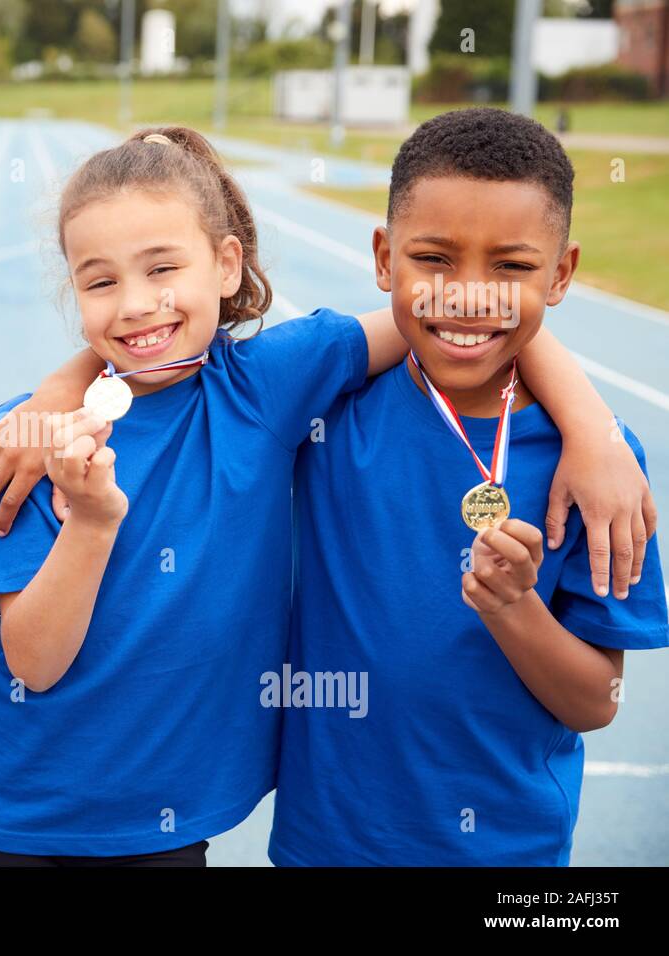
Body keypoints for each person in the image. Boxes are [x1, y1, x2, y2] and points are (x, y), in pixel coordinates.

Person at [268, 108, 668, 865]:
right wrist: (62, 393)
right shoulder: (326, 409)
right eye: (435, 259)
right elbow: (185, 368)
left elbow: (596, 702)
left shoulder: (602, 469)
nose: (470, 296)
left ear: (562, 274)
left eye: (512, 267)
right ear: (384, 258)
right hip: (327, 846)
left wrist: (515, 609)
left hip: (509, 857)